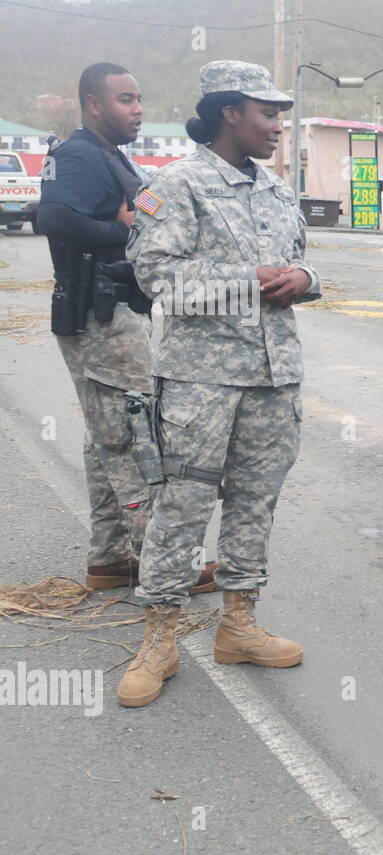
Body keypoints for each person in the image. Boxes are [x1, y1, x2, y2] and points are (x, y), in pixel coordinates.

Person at [118, 60, 320, 707]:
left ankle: (238, 623)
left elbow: (302, 259)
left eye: (280, 118)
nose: (276, 129)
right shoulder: (176, 186)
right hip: (200, 382)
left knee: (255, 502)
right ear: (230, 112)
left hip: (273, 377)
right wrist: (250, 282)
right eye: (267, 115)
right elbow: (156, 278)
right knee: (181, 508)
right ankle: (159, 638)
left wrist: (304, 281)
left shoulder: (277, 188)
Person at [38, 63, 217, 596]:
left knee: (106, 439)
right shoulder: (76, 154)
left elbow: (142, 211)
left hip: (119, 312)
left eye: (139, 99)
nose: (137, 109)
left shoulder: (111, 157)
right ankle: (166, 565)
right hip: (101, 316)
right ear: (94, 105)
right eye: (125, 100)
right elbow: (53, 219)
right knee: (133, 438)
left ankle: (111, 558)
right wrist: (115, 228)